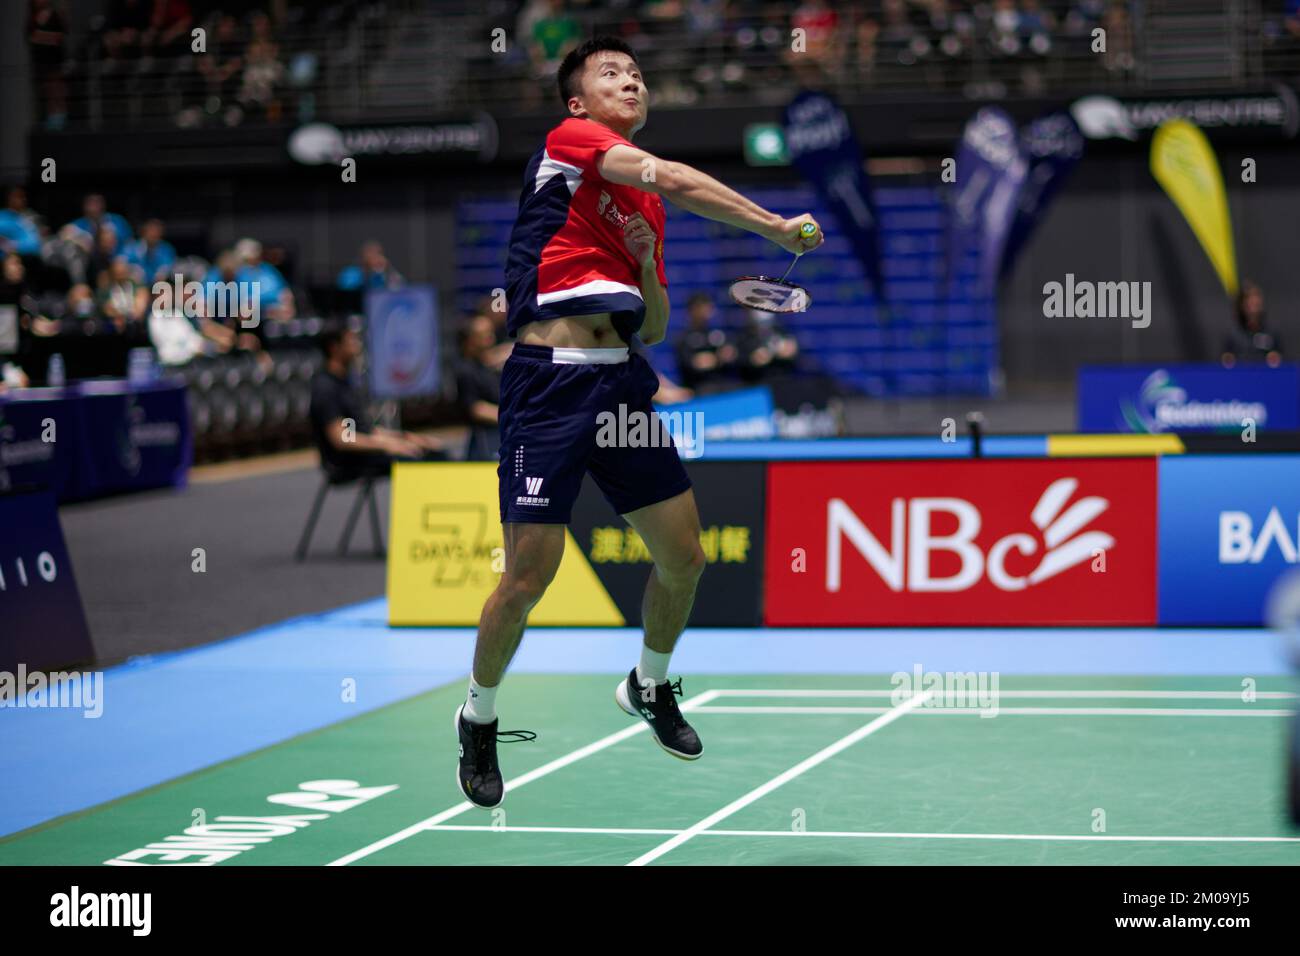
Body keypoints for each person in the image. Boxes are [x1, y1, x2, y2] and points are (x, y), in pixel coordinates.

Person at [454, 35, 823, 808]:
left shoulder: (643, 205)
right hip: (548, 388)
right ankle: (478, 716)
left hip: (620, 383)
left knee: (685, 557)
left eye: (638, 74)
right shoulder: (570, 146)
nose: (630, 81)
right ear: (578, 101)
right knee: (527, 578)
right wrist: (774, 228)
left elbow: (652, 324)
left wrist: (646, 257)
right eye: (612, 73)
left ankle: (648, 685)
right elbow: (678, 175)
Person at [309, 327, 443, 480]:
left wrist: (406, 438)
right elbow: (343, 439)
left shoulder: (345, 383)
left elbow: (363, 431)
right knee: (422, 463)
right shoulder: (325, 388)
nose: (357, 346)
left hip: (364, 453)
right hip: (347, 461)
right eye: (351, 341)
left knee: (435, 454)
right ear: (334, 347)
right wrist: (388, 446)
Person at [454, 314, 501, 461]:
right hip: (484, 442)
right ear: (471, 340)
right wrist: (511, 416)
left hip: (500, 434)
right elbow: (476, 409)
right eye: (484, 335)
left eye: (491, 333)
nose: (491, 338)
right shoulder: (465, 370)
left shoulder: (488, 367)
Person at [674, 291, 737, 391]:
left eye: (708, 306)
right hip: (698, 388)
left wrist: (712, 359)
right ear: (692, 309)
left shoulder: (718, 334)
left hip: (722, 384)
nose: (707, 310)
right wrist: (718, 358)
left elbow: (730, 355)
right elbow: (696, 364)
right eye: (702, 306)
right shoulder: (684, 338)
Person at [1222, 280, 1283, 368]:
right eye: (1249, 301)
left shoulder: (1272, 333)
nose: (1253, 304)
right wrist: (1227, 360)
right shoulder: (1232, 335)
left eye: (1256, 302)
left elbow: (1280, 361)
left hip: (1265, 378)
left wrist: (1276, 359)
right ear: (1242, 305)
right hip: (1239, 378)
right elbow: (1225, 360)